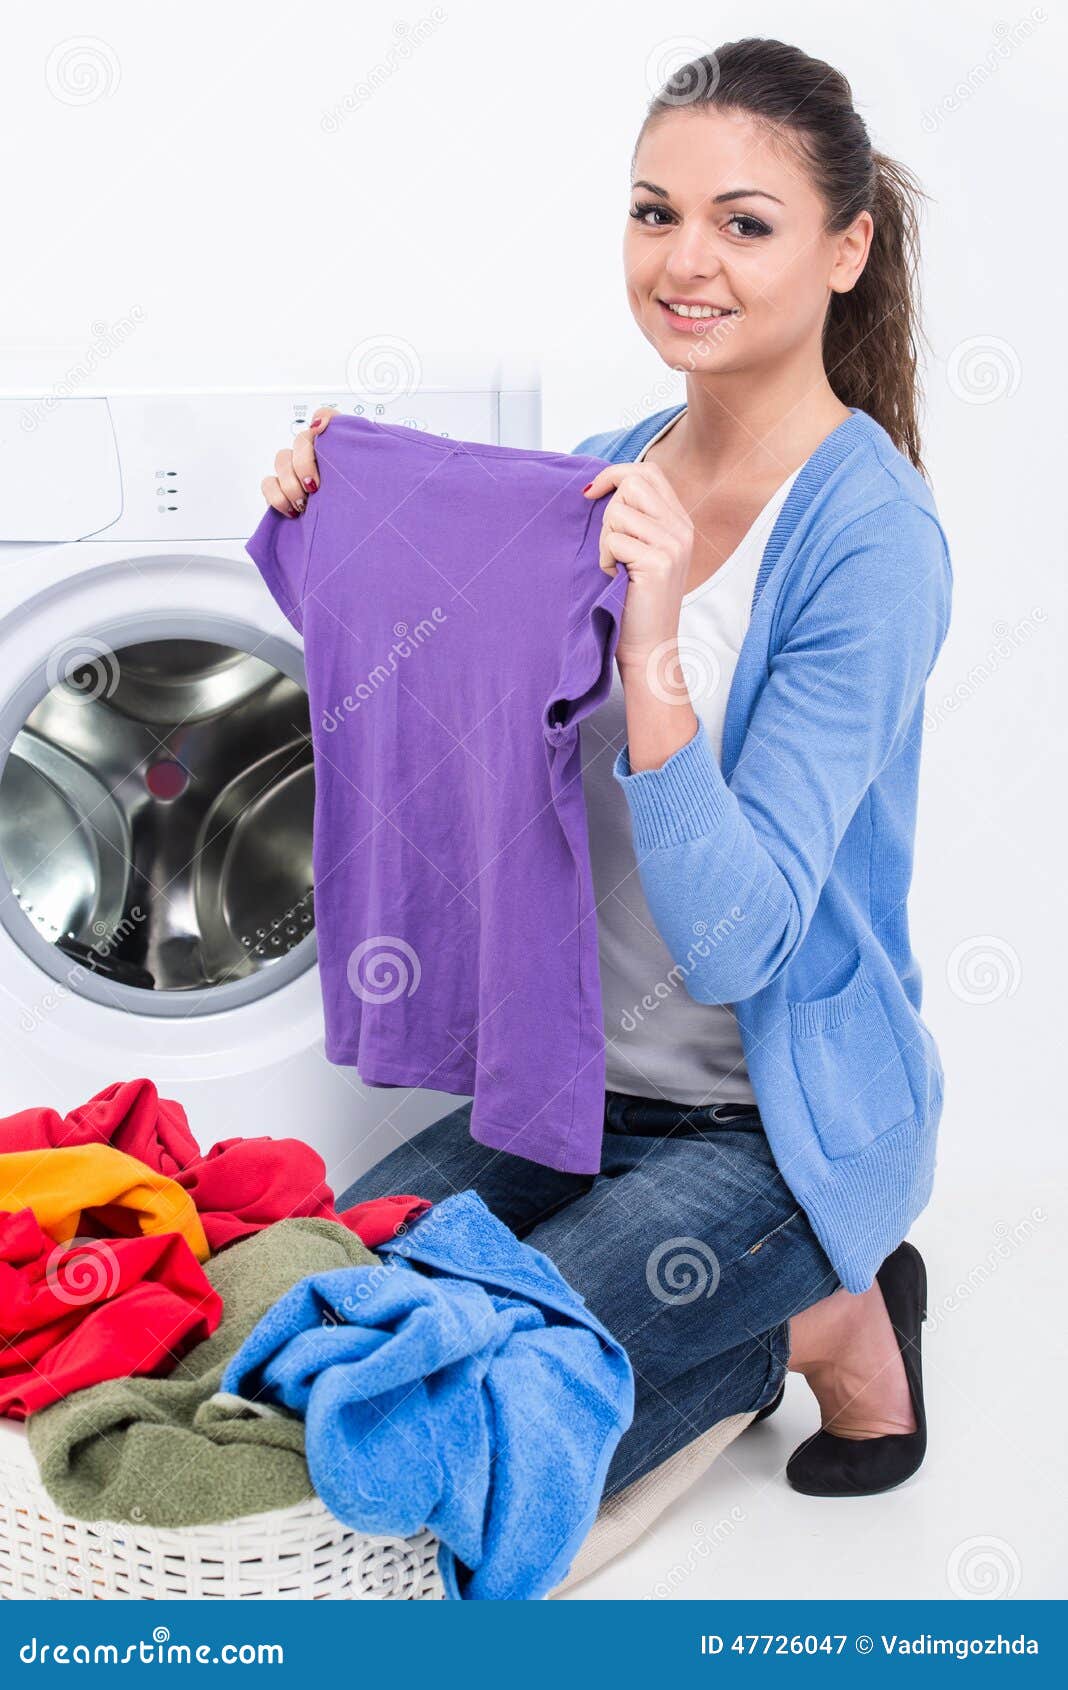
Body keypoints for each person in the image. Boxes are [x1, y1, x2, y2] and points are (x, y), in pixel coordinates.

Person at [259, 37, 951, 1501]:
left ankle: (832, 1311)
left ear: (847, 247)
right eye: (654, 212)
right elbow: (447, 722)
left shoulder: (871, 539)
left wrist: (650, 650)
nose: (684, 261)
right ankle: (747, 1321)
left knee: (454, 1427)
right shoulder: (599, 470)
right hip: (570, 1089)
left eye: (743, 223)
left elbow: (739, 935)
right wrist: (343, 536)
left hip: (772, 1136)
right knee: (292, 1311)